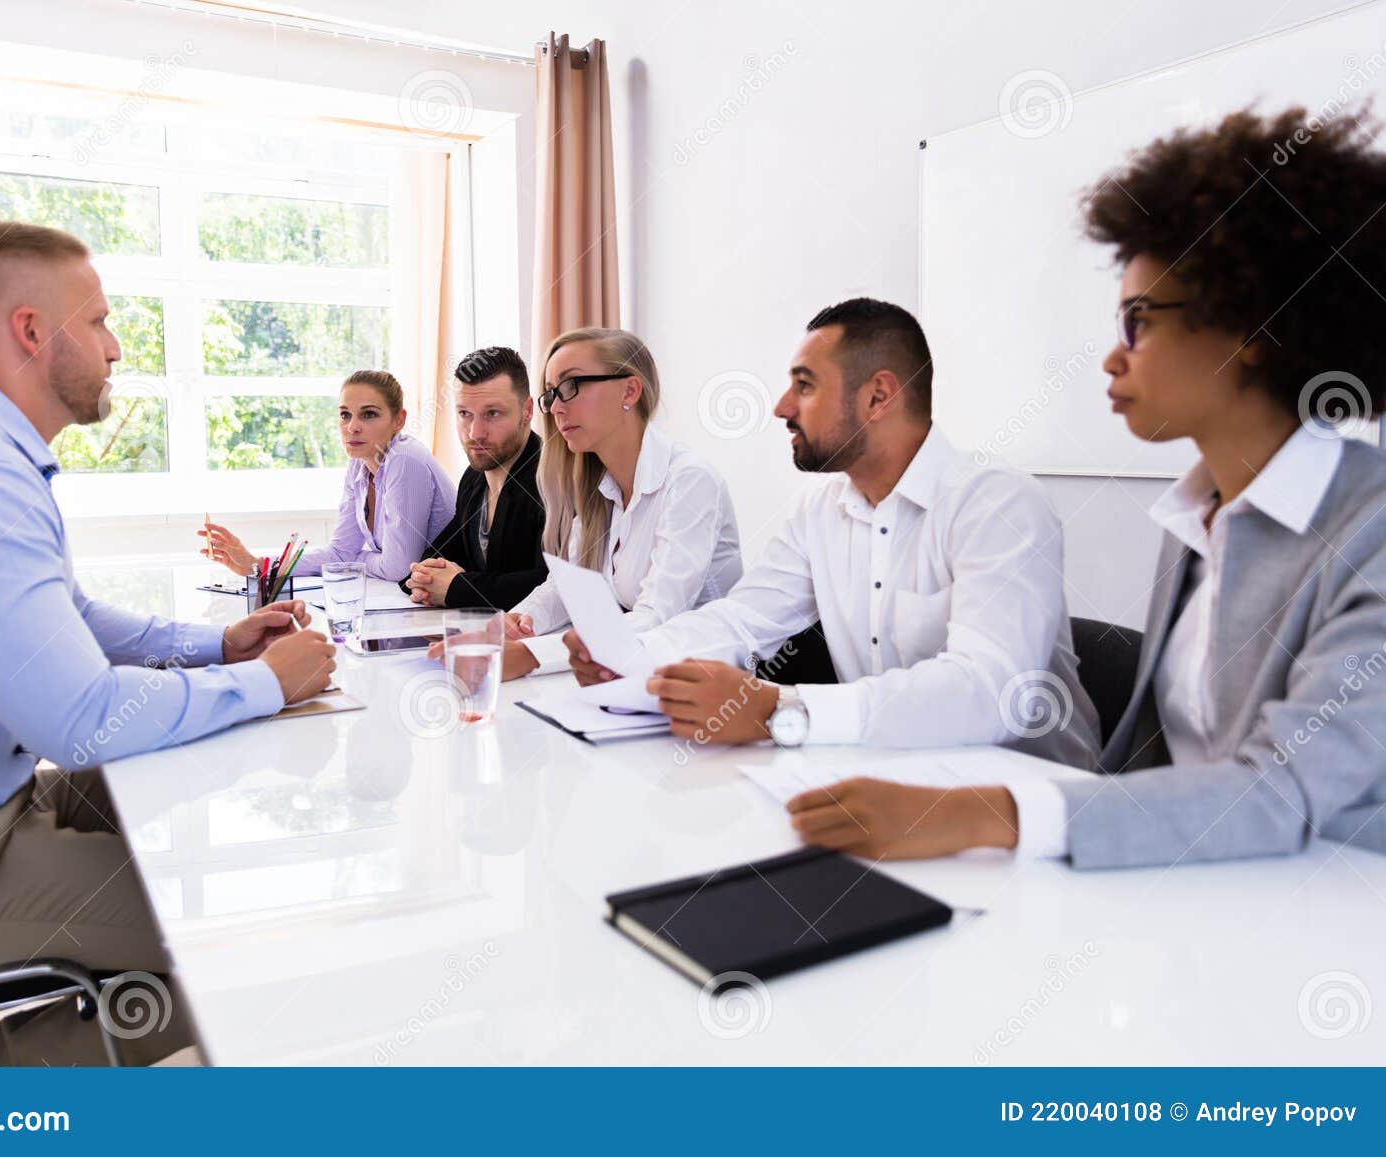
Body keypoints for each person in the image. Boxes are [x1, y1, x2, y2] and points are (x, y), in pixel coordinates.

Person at [0, 221, 338, 1066]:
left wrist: (222, 646)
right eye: (101, 321)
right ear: (32, 331)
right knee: (231, 944)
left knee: (183, 777)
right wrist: (269, 681)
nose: (116, 347)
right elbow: (79, 718)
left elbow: (72, 618)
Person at [783, 107, 1386, 866]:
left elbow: (1280, 793)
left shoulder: (1370, 530)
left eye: (1139, 320)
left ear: (1251, 327)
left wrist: (985, 814)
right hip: (1192, 898)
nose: (1111, 357)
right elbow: (1155, 766)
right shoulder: (1201, 517)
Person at [565, 299, 1099, 771]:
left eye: (804, 385)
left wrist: (781, 709)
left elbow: (987, 692)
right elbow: (744, 618)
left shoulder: (997, 504)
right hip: (888, 779)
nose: (780, 407)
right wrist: (630, 655)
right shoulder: (819, 509)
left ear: (879, 396)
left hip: (1029, 806)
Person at [448, 327, 743, 679]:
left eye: (572, 385)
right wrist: (513, 625)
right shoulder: (598, 487)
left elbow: (657, 616)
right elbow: (566, 586)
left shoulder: (690, 480)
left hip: (708, 679)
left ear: (629, 390)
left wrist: (531, 654)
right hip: (642, 674)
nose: (556, 407)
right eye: (552, 393)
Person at [199, 369, 455, 584]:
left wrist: (357, 558)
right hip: (411, 598)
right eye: (345, 415)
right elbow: (340, 552)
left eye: (369, 414)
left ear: (398, 420)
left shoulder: (405, 459)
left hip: (448, 602)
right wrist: (259, 566)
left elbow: (399, 568)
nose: (352, 426)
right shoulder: (359, 465)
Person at [404, 347, 546, 609]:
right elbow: (438, 555)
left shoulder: (552, 480)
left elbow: (548, 584)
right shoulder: (473, 478)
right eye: (464, 414)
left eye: (492, 413)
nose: (475, 433)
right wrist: (424, 579)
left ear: (527, 410)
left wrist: (457, 588)